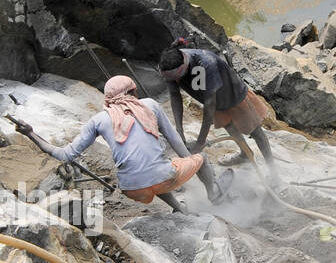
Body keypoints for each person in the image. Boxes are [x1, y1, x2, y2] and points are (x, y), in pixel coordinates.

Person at [11, 76, 229, 212]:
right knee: (200, 160)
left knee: (148, 172)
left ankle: (180, 209)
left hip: (132, 190)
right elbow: (175, 140)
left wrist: (31, 133)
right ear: (132, 92)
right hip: (162, 178)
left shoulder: (98, 120)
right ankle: (214, 195)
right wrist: (190, 161)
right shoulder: (150, 105)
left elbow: (64, 155)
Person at [159, 42, 280, 181]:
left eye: (178, 77)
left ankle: (273, 171)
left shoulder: (207, 63)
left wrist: (200, 143)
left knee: (256, 132)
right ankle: (245, 153)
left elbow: (210, 105)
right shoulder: (167, 66)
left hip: (234, 96)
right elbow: (175, 95)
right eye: (173, 79)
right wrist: (179, 130)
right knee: (229, 127)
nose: (176, 81)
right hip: (215, 103)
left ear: (185, 63)